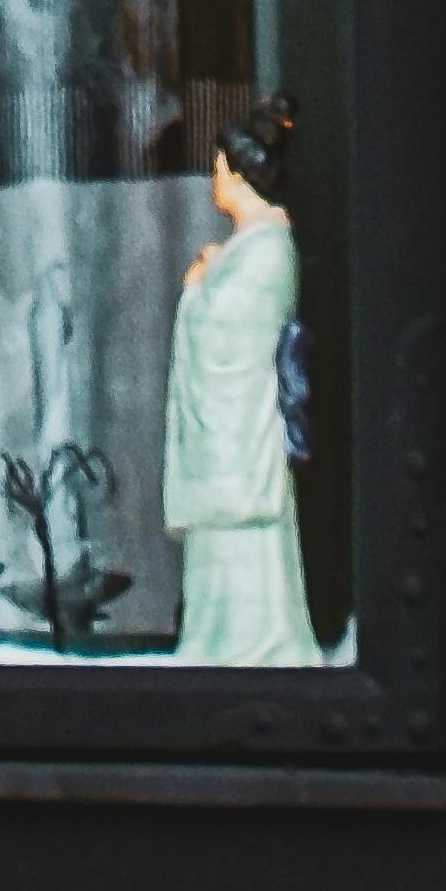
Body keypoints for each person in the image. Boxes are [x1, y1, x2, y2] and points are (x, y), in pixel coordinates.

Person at [162, 93, 322, 667]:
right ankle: (221, 641)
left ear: (238, 174)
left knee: (242, 544)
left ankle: (254, 644)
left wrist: (196, 291)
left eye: (218, 169)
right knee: (221, 550)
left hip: (240, 429)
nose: (214, 181)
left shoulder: (267, 248)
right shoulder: (248, 247)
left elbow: (227, 336)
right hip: (230, 433)